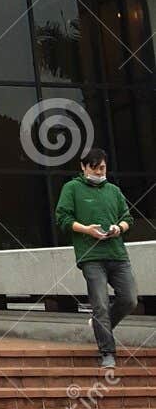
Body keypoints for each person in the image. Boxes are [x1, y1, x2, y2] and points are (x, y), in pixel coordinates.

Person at [55, 146, 137, 370]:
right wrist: (86, 230)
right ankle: (108, 353)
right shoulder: (71, 188)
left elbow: (128, 217)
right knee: (100, 304)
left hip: (117, 253)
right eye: (95, 168)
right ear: (83, 167)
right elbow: (62, 218)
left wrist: (119, 228)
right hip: (91, 256)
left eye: (103, 167)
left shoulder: (113, 190)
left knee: (130, 299)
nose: (100, 172)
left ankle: (99, 325)